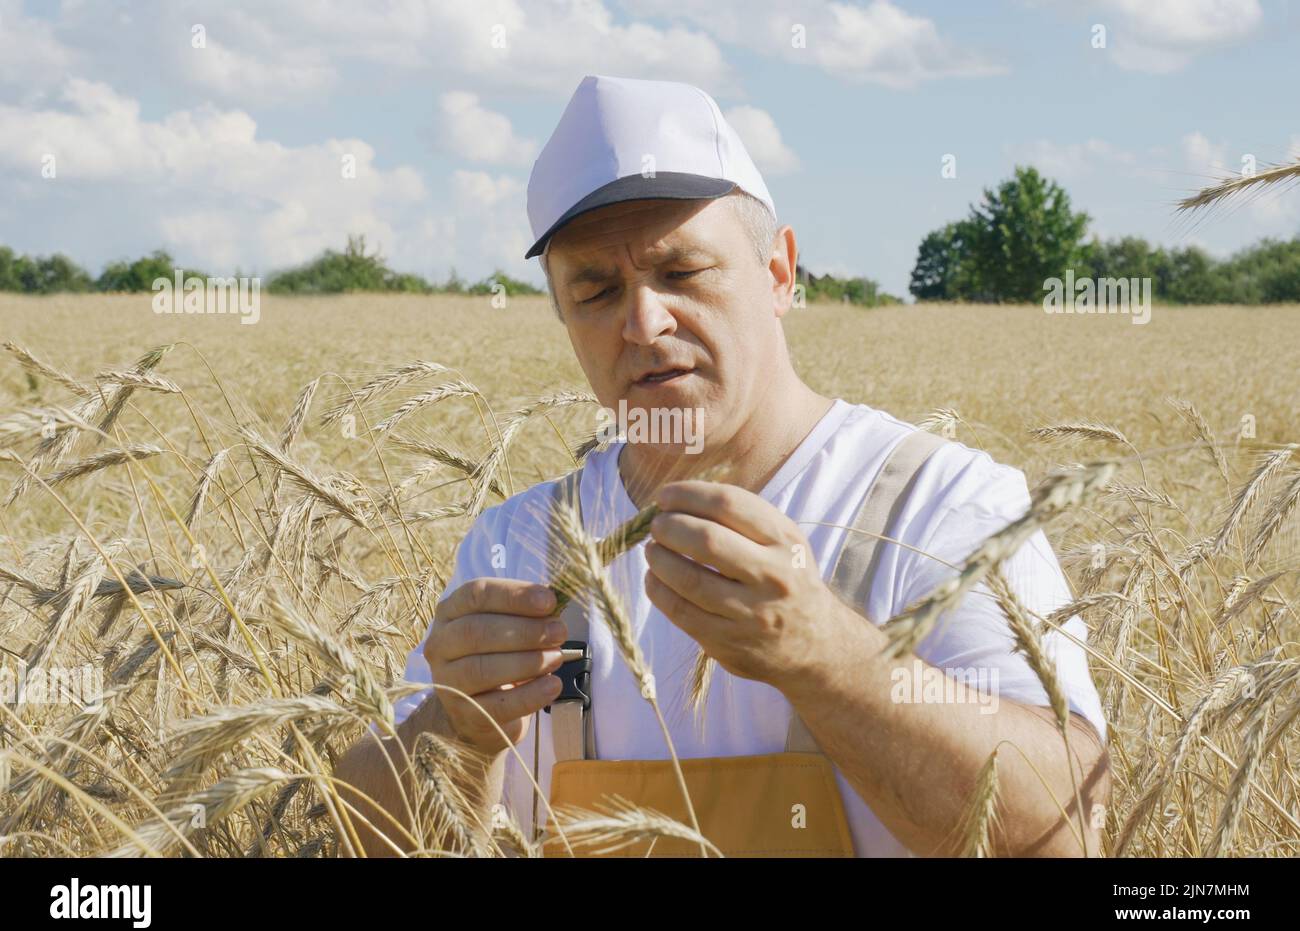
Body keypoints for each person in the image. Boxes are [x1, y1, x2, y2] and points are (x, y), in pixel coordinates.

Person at [334, 74, 1110, 857]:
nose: (643, 321)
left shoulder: (937, 508)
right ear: (562, 313)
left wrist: (829, 658)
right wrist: (453, 732)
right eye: (597, 290)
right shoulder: (522, 545)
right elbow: (364, 836)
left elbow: (1063, 832)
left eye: (681, 273)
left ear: (779, 272)